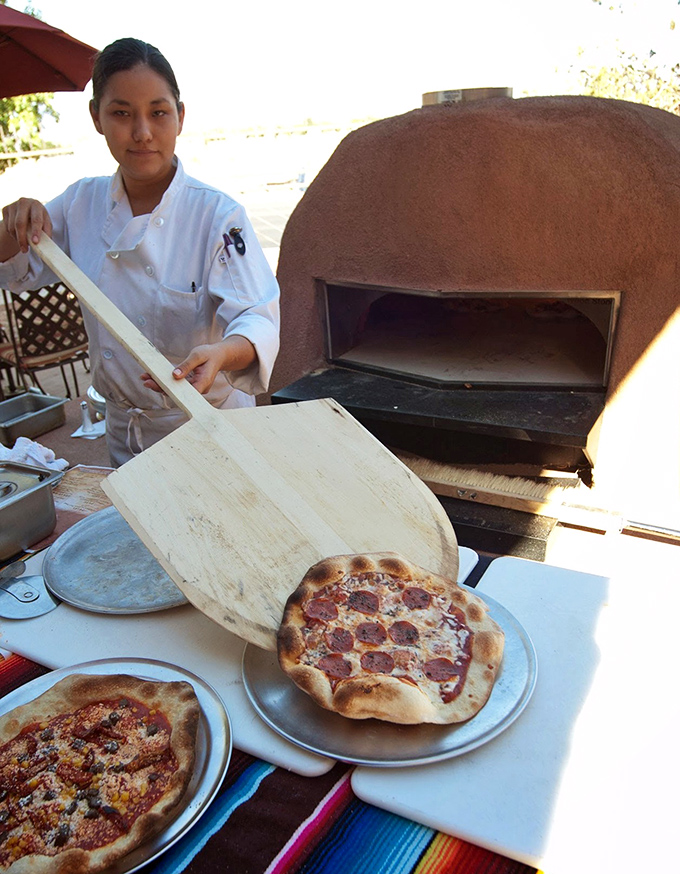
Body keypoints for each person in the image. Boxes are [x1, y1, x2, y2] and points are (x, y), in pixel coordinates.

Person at [0, 38, 280, 467]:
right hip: (125, 441)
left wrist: (222, 353)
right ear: (96, 117)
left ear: (180, 117)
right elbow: (14, 269)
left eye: (158, 112)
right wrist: (13, 224)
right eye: (121, 113)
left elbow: (256, 317)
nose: (142, 132)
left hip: (210, 431)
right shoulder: (79, 204)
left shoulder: (218, 216)